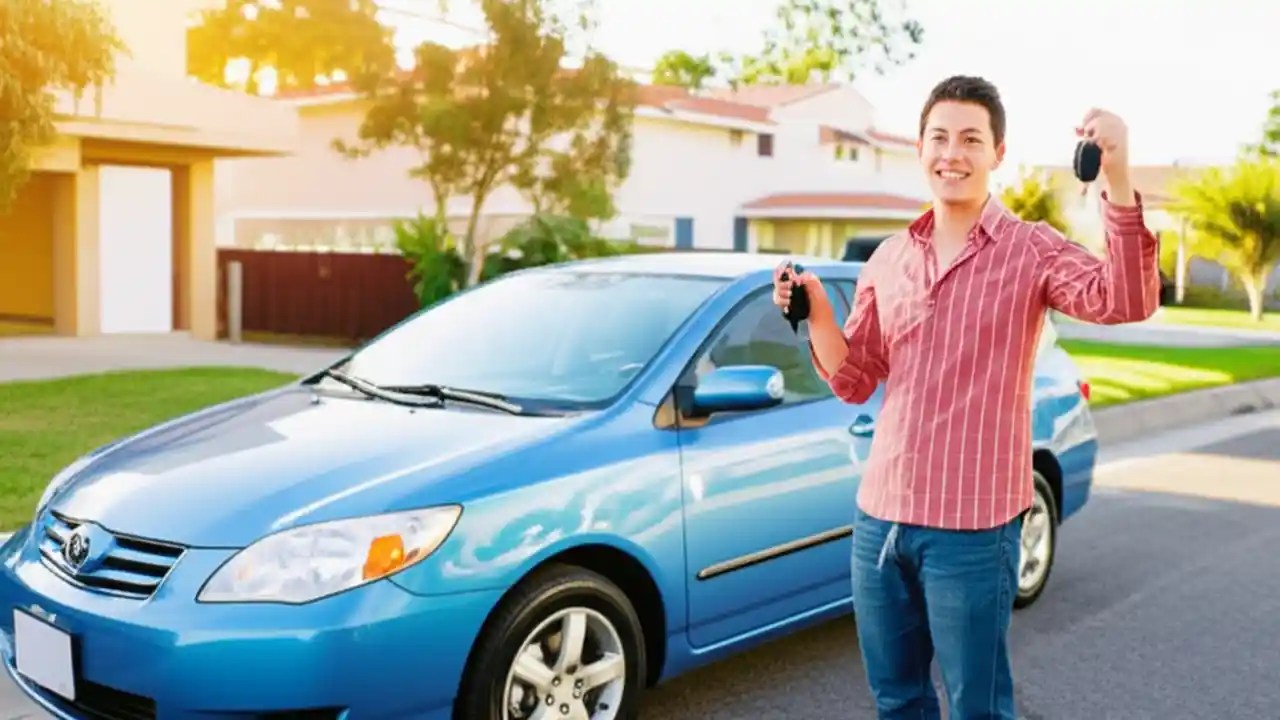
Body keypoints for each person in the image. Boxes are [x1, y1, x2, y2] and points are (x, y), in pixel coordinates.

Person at [772, 75, 1160, 719]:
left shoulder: (1031, 249)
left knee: (977, 707)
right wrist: (816, 314)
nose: (952, 153)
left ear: (997, 153)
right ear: (920, 148)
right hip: (881, 522)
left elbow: (1125, 298)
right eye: (939, 137)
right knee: (897, 699)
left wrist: (1117, 176)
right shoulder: (890, 259)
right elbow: (854, 379)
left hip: (974, 531)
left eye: (970, 139)